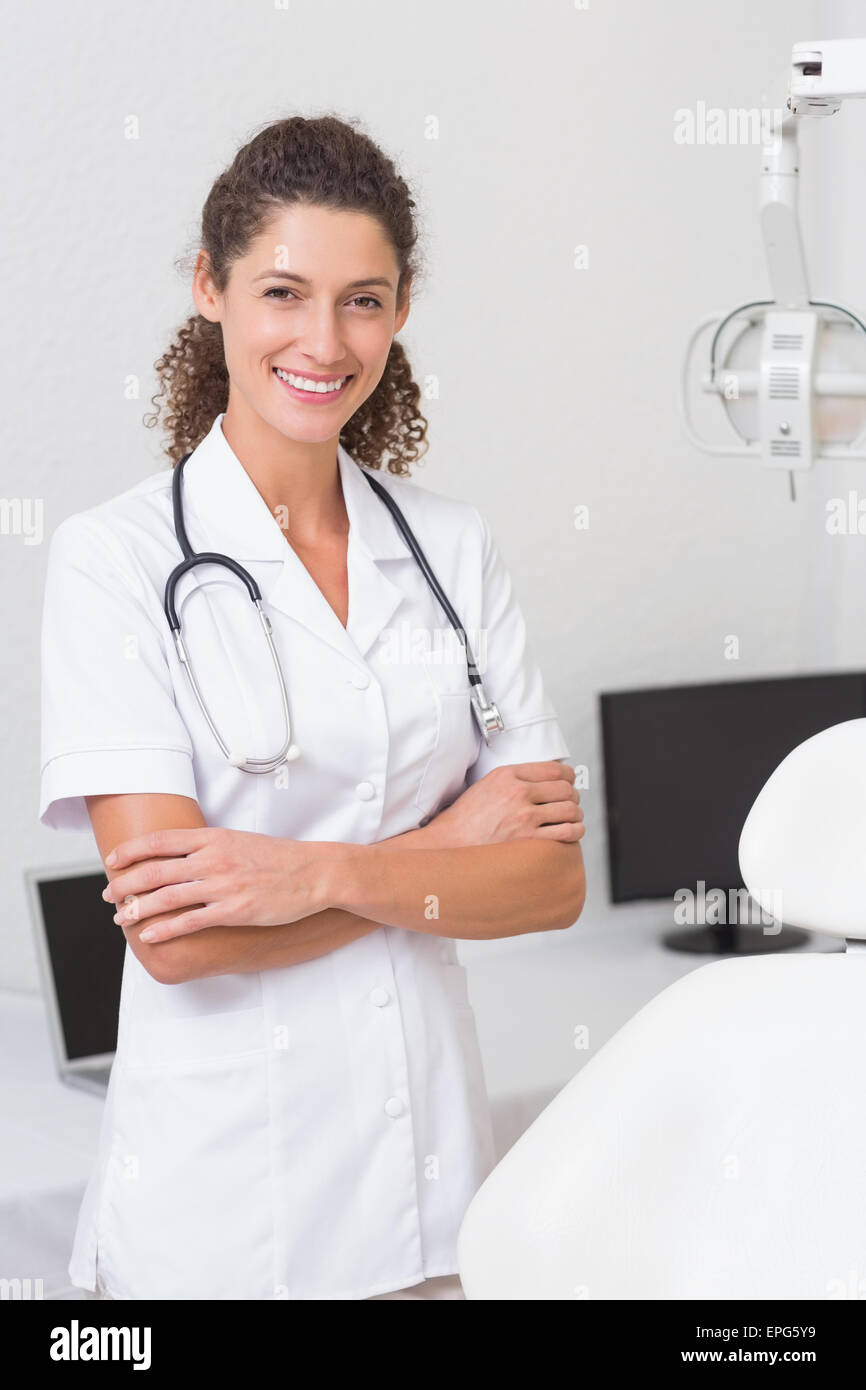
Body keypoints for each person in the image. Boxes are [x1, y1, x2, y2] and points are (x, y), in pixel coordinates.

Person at [39, 113, 586, 1301]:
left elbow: (549, 881)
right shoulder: (113, 561)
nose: (323, 340)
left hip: (433, 1200)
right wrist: (440, 855)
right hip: (225, 1221)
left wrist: (311, 873)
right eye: (282, 291)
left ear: (399, 311)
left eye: (363, 299)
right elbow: (179, 938)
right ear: (209, 288)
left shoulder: (451, 545)